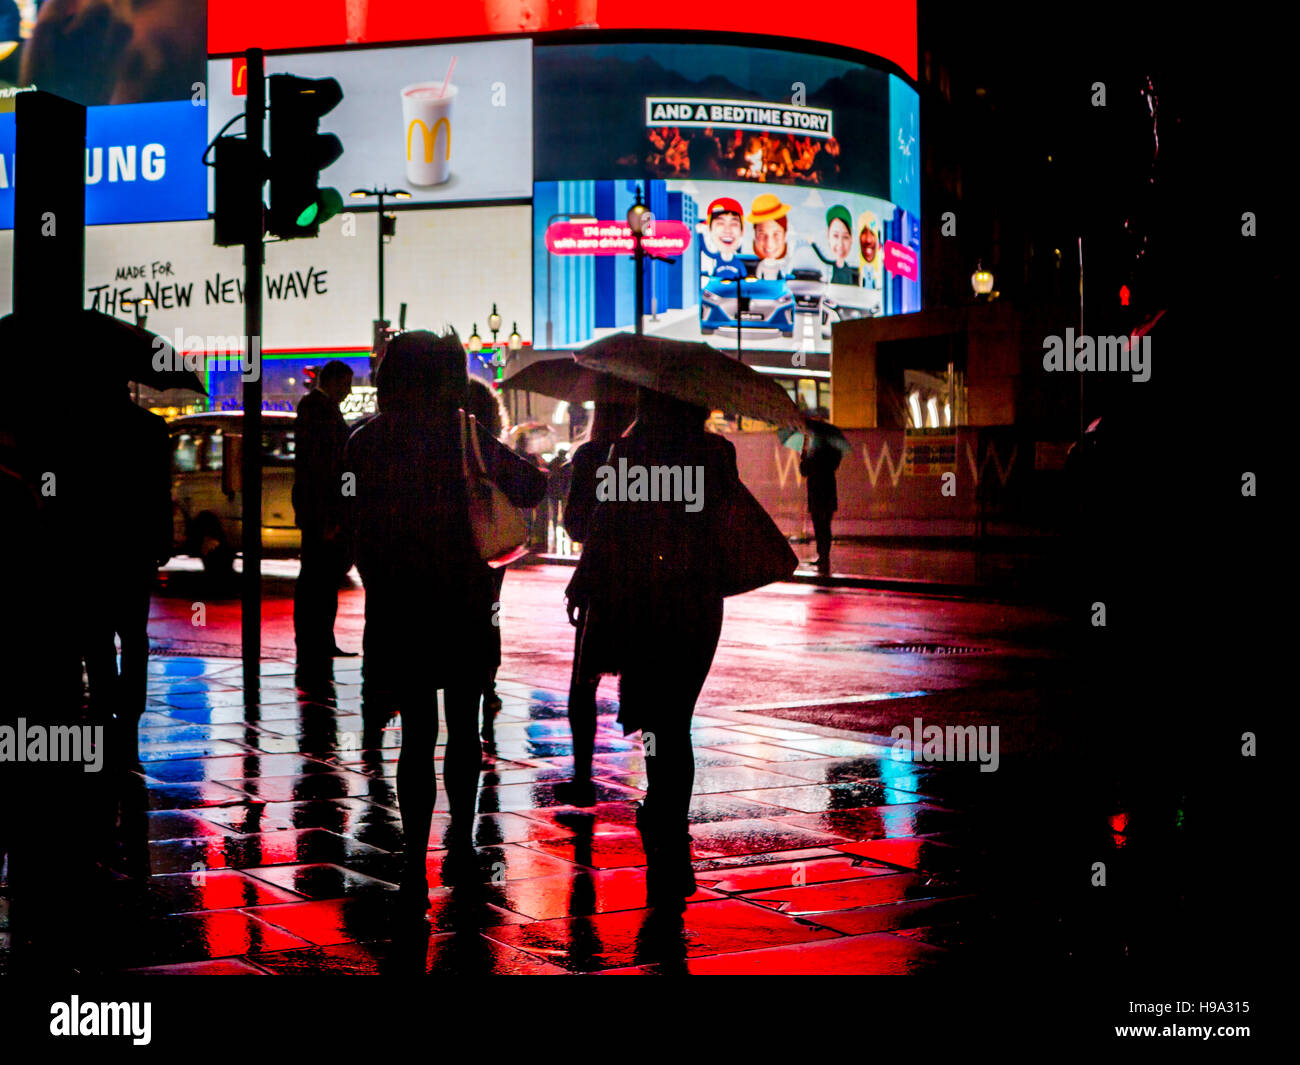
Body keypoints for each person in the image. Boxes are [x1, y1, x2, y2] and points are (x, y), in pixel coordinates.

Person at [344, 331, 546, 909]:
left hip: (400, 603)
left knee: (415, 735)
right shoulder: (463, 433)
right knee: (463, 724)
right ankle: (459, 843)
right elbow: (530, 488)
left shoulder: (367, 442)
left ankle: (412, 862)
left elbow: (352, 517)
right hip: (463, 598)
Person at [565, 388, 738, 909]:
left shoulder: (620, 453)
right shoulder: (716, 453)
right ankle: (669, 827)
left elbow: (594, 528)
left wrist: (587, 574)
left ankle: (660, 823)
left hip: (640, 599)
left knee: (657, 724)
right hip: (698, 601)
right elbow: (725, 524)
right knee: (675, 720)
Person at [554, 398, 636, 807]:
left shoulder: (592, 455)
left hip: (605, 578)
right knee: (652, 687)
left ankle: (583, 776)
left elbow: (576, 525)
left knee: (585, 682)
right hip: (658, 581)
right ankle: (662, 797)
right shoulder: (662, 454)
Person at [292, 359, 354, 679]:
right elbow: (326, 464)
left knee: (318, 577)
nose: (349, 390)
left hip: (317, 506)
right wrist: (334, 510)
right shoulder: (321, 410)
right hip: (322, 507)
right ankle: (315, 639)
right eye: (346, 383)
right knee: (319, 577)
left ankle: (315, 640)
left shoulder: (314, 408)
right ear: (333, 381)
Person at [465, 376, 511, 741]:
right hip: (487, 545)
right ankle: (486, 683)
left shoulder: (429, 443)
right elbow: (528, 486)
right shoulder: (486, 444)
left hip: (445, 551)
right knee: (489, 613)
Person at [800, 427, 843, 576]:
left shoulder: (817, 453)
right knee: (823, 526)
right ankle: (823, 555)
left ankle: (823, 555)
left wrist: (805, 455)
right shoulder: (830, 453)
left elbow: (804, 470)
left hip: (818, 493)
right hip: (825, 493)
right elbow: (804, 470)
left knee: (821, 526)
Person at [697, 196, 745, 282]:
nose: (727, 230)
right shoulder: (699, 261)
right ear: (709, 229)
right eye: (720, 223)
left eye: (734, 224)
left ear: (742, 231)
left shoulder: (739, 262)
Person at [811, 205, 861, 285]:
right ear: (828, 236)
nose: (840, 244)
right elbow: (822, 258)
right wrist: (812, 244)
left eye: (845, 237)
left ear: (852, 239)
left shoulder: (849, 269)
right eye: (835, 236)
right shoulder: (832, 266)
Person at [748, 193, 792, 280]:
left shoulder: (780, 265)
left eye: (776, 234)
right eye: (762, 234)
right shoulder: (761, 265)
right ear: (755, 236)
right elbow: (758, 278)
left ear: (785, 235)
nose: (769, 244)